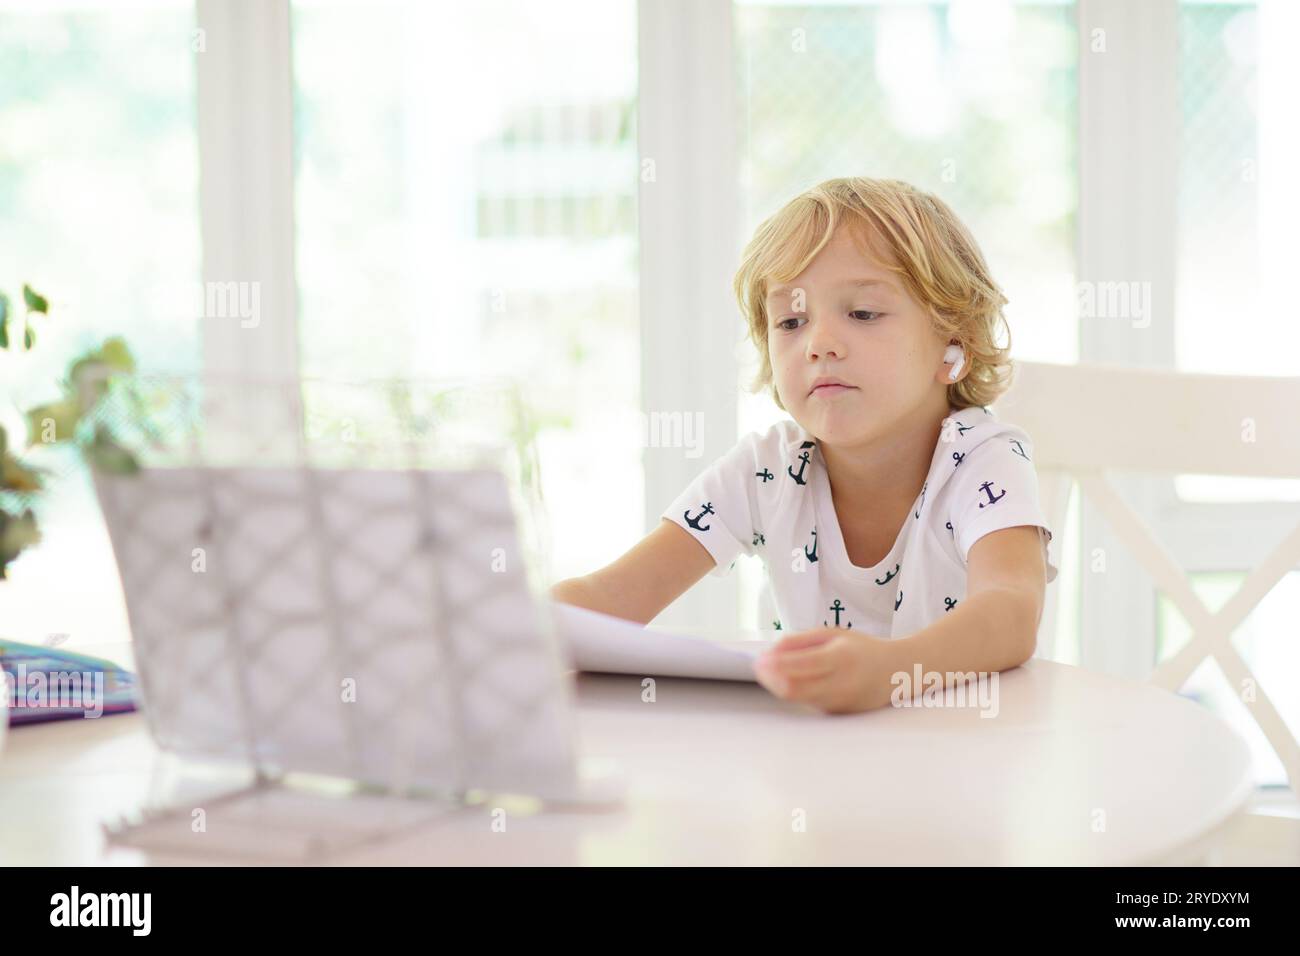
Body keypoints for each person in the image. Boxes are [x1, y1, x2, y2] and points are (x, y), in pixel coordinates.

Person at [550, 176, 1057, 714]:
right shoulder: (766, 468)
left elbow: (1011, 611)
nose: (819, 344)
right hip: (815, 768)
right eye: (791, 321)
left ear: (954, 342)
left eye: (862, 313)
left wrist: (890, 672)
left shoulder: (984, 459)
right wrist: (500, 629)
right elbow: (610, 598)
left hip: (972, 759)